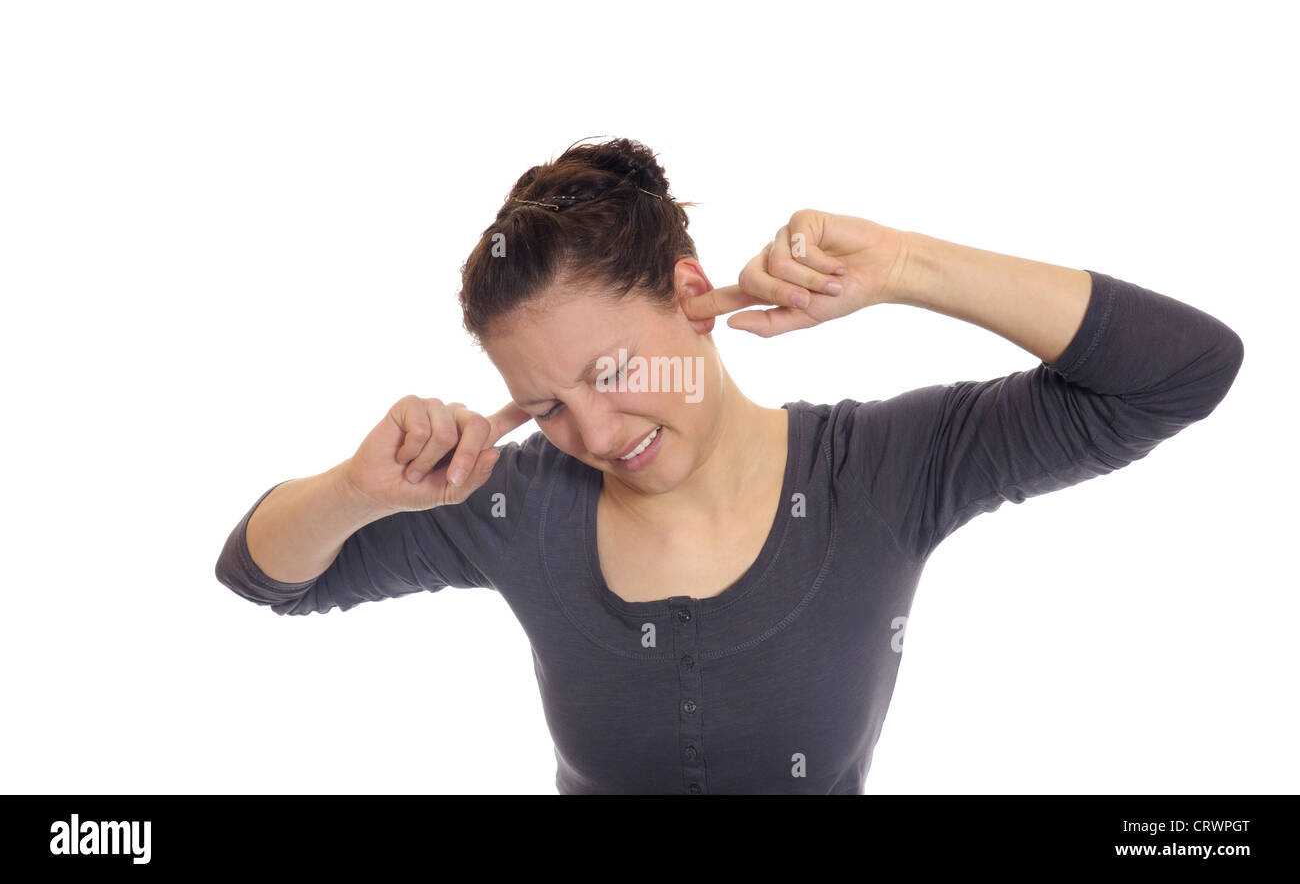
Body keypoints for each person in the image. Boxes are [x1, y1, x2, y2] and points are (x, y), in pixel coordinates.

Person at [214, 136, 1245, 794]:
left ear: (691, 292)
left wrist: (906, 266)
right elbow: (264, 573)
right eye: (543, 404)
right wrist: (359, 491)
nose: (596, 428)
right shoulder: (515, 505)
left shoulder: (876, 471)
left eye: (613, 368)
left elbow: (1181, 372)